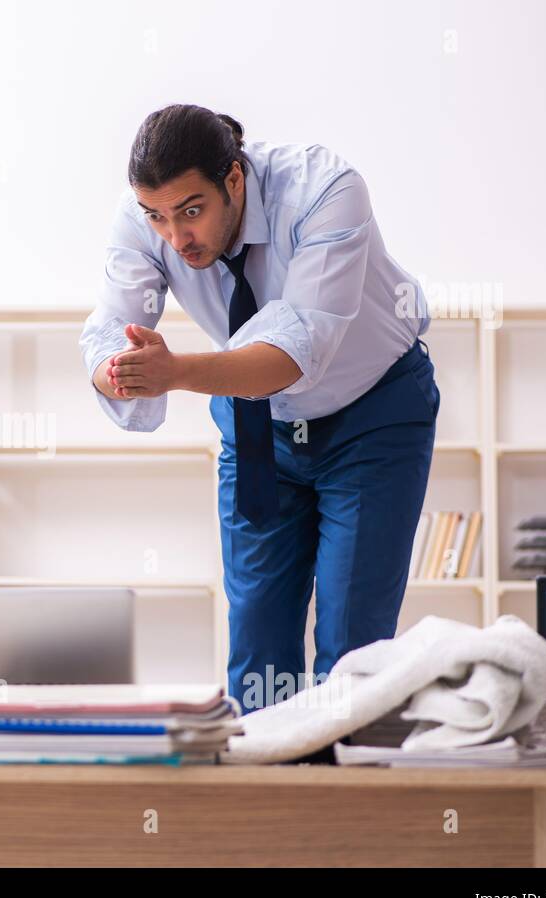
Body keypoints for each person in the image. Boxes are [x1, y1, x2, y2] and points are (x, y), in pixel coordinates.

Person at [79, 104, 439, 712]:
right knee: (257, 641)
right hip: (257, 423)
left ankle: (344, 801)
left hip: (372, 414)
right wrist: (121, 370)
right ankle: (266, 803)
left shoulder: (326, 190)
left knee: (352, 644)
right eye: (158, 218)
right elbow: (111, 327)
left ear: (235, 180)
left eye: (191, 212)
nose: (175, 237)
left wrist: (176, 372)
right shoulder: (145, 214)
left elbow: (296, 350)